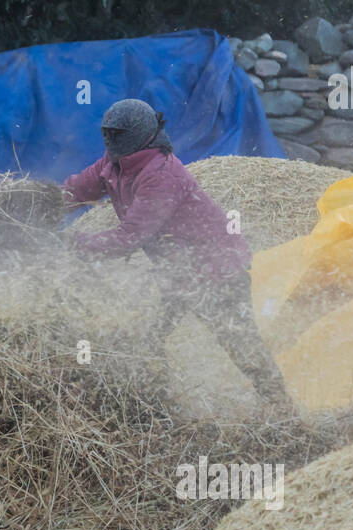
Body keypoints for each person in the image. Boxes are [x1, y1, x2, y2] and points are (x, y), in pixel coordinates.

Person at [62, 99, 299, 416]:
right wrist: (33, 207)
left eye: (116, 134)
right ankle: (153, 407)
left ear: (139, 135)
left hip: (218, 269)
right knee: (146, 335)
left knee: (241, 345)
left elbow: (130, 236)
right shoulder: (114, 161)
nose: (108, 140)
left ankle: (285, 413)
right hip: (179, 271)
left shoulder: (161, 174)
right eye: (106, 133)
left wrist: (71, 243)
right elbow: (79, 190)